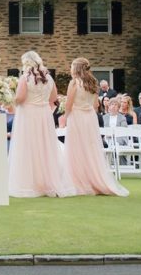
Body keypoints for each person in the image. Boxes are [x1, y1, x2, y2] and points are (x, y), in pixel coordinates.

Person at [8, 51, 73, 198]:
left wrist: (11, 98)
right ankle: (48, 182)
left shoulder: (25, 77)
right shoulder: (48, 78)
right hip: (44, 115)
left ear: (26, 63)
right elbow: (54, 98)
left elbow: (20, 98)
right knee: (45, 146)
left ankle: (30, 183)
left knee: (28, 146)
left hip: (28, 115)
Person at [63, 57, 128, 197]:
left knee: (76, 149)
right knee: (90, 149)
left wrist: (65, 118)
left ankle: (78, 182)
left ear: (76, 68)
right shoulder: (93, 83)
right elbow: (95, 105)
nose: (70, 69)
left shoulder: (74, 82)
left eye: (72, 66)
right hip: (90, 118)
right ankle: (93, 180)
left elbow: (68, 104)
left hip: (77, 117)